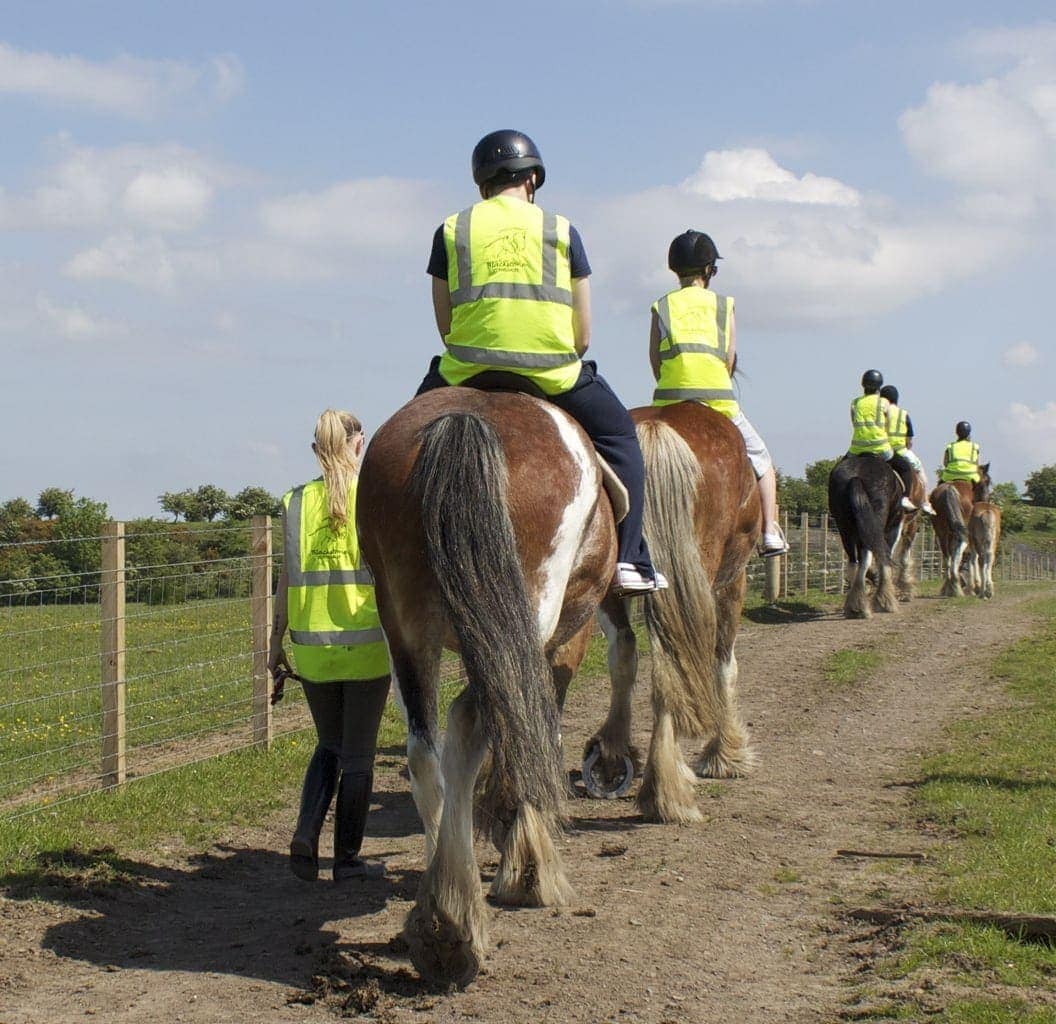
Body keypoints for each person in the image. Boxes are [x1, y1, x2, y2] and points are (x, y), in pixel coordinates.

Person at [415, 128, 666, 594]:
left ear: (482, 183)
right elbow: (583, 334)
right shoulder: (562, 230)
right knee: (620, 436)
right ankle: (631, 559)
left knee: (404, 443)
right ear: (533, 179)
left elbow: (445, 324)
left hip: (465, 370)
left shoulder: (451, 230)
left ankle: (385, 558)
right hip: (553, 374)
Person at [268, 409, 390, 883]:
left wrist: (273, 644)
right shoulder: (377, 498)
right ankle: (347, 860)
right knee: (358, 756)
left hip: (312, 649)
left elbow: (285, 581)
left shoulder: (295, 503)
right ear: (360, 444)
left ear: (316, 450)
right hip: (368, 647)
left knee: (329, 744)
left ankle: (305, 833)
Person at [649, 229, 788, 556]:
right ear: (709, 270)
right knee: (763, 460)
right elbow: (728, 358)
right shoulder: (724, 306)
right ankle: (770, 531)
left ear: (674, 269)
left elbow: (655, 359)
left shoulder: (662, 306)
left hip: (669, 400)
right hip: (718, 402)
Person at [847, 369, 916, 513]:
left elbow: (854, 423)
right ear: (879, 387)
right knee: (905, 468)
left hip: (857, 449)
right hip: (881, 448)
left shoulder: (855, 403)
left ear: (863, 385)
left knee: (837, 472)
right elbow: (888, 424)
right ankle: (905, 499)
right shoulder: (884, 403)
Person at [879, 384, 935, 515]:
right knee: (920, 470)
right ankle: (924, 502)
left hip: (880, 450)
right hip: (900, 451)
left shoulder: (880, 412)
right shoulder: (903, 414)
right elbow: (909, 440)